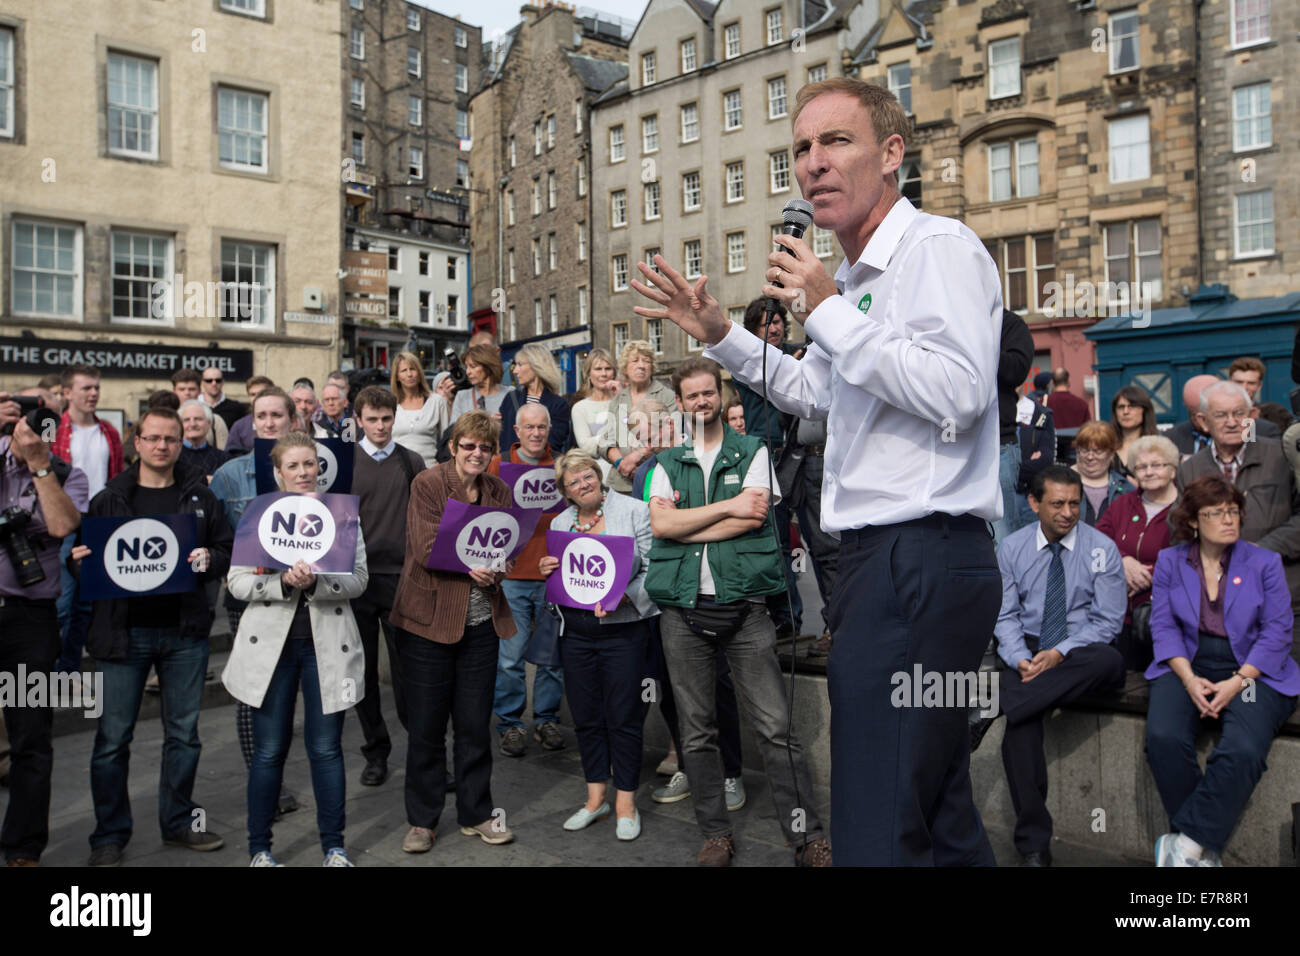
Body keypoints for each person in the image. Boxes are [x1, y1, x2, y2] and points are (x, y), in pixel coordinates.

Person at [632, 77, 1003, 866]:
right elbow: (821, 395)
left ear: (892, 153)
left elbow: (962, 392)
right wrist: (722, 331)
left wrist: (827, 307)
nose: (813, 164)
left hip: (920, 557)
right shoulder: (856, 281)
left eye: (835, 141)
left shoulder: (936, 249)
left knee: (875, 811)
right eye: (801, 149)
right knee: (934, 805)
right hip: (884, 566)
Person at [644, 357, 830, 866]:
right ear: (679, 404)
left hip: (746, 611)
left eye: (708, 394)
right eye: (691, 396)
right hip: (682, 612)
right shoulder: (665, 463)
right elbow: (660, 527)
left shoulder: (752, 452)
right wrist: (723, 509)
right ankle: (716, 834)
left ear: (720, 398)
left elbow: (752, 518)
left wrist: (687, 522)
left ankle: (807, 836)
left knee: (775, 729)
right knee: (697, 732)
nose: (701, 403)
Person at [70, 407, 232, 866]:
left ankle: (179, 821)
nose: (162, 446)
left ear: (181, 444)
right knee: (111, 740)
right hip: (123, 634)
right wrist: (77, 564)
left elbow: (225, 549)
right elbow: (84, 562)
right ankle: (109, 834)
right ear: (136, 442)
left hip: (184, 630)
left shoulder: (199, 496)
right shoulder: (109, 499)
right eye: (153, 438)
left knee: (183, 735)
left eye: (171, 439)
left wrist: (208, 560)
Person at [222, 432, 367, 867]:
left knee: (326, 749)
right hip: (273, 648)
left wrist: (320, 582)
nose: (304, 473)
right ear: (279, 472)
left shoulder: (341, 516)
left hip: (327, 646)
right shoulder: (258, 514)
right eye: (294, 466)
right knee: (268, 750)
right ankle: (259, 848)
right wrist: (282, 582)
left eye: (311, 465)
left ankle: (334, 847)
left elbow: (360, 579)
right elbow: (237, 582)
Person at [971, 465, 1126, 866]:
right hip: (1029, 646)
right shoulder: (1013, 548)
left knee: (1107, 660)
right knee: (1020, 735)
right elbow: (1004, 615)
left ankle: (996, 703)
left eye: (1075, 503)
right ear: (1034, 503)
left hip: (1082, 650)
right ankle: (1035, 847)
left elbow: (1107, 622)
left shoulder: (1101, 548)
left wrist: (1060, 653)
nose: (1068, 512)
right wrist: (1020, 657)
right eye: (1057, 503)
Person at [1145, 474, 1299, 867]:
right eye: (1216, 513)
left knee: (1244, 749)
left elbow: (1278, 632)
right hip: (1186, 661)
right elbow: (1162, 626)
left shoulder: (1264, 562)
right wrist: (1187, 678)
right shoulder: (1170, 560)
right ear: (1194, 520)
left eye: (1233, 511)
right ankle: (1202, 846)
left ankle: (1186, 846)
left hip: (1252, 670)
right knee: (1163, 736)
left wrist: (1237, 682)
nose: (1229, 519)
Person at [389, 411, 517, 853]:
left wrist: (496, 570)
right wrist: (470, 566)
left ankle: (476, 813)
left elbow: (507, 548)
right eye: (469, 445)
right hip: (428, 622)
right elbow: (425, 546)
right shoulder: (427, 484)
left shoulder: (499, 490)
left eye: (485, 447)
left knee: (474, 724)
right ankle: (422, 821)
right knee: (426, 727)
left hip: (481, 623)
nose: (477, 453)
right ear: (453, 446)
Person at [622, 398, 746, 803]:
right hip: (660, 593)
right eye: (641, 431)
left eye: (655, 426)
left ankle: (730, 773)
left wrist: (676, 528)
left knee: (717, 687)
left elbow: (716, 520)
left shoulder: (701, 457)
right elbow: (646, 532)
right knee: (673, 690)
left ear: (671, 421)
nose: (650, 436)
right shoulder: (645, 471)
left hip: (706, 591)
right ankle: (689, 766)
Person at [540, 451, 657, 839]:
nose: (583, 484)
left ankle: (626, 803)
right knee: (586, 715)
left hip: (624, 631)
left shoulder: (634, 510)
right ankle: (595, 799)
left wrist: (626, 596)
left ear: (599, 475)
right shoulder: (559, 522)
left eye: (588, 475)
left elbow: (654, 567)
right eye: (573, 482)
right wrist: (548, 572)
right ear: (565, 491)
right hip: (575, 633)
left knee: (623, 717)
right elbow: (561, 582)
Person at [0, 398, 87, 866]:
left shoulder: (67, 474)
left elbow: (60, 524)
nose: (34, 436)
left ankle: (23, 848)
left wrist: (37, 466)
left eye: (44, 432)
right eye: (25, 428)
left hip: (30, 621)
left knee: (31, 737)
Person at [209, 387, 301, 818]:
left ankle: (275, 773)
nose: (268, 422)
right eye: (261, 415)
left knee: (292, 690)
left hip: (303, 594)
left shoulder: (313, 468)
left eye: (276, 415)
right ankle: (265, 783)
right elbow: (220, 539)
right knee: (253, 689)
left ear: (291, 421)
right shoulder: (228, 476)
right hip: (248, 596)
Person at [349, 386, 426, 786]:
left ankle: (425, 755)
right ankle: (375, 752)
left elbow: (425, 517)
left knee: (408, 674)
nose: (380, 426)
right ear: (358, 420)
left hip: (400, 579)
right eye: (372, 419)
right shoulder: (345, 463)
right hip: (357, 581)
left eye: (386, 418)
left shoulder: (410, 461)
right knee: (361, 675)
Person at [1177, 380, 1300, 623]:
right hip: (1217, 602)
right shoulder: (1190, 469)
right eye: (1221, 415)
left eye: (1239, 413)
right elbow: (1180, 528)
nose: (1232, 422)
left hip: (1282, 594)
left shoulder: (1282, 457)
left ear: (1253, 416)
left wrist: (1262, 549)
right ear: (1203, 421)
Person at [487, 402, 566, 757]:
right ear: (516, 432)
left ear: (549, 430)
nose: (536, 433)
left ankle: (547, 719)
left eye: (542, 427)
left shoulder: (562, 465)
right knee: (510, 656)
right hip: (513, 575)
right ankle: (510, 723)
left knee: (552, 657)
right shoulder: (498, 465)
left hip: (554, 573)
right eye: (529, 428)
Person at [53, 364, 124, 677]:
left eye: (96, 387)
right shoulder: (53, 428)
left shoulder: (109, 431)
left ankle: (68, 672)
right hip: (65, 522)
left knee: (86, 606)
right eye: (86, 388)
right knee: (63, 603)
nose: (93, 393)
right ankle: (48, 670)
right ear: (67, 392)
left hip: (99, 522)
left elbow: (118, 479)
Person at [1095, 435, 1180, 670]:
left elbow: (1193, 555)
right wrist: (1123, 561)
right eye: (1141, 467)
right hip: (1120, 615)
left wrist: (1150, 573)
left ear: (1173, 470)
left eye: (1157, 465)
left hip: (1167, 617)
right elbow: (1096, 542)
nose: (1149, 472)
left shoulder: (1186, 507)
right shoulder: (1122, 504)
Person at [598, 340, 677, 498]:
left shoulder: (667, 396)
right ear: (625, 367)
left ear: (652, 366)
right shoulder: (618, 400)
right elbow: (607, 441)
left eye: (646, 361)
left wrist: (637, 456)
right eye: (635, 360)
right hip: (621, 483)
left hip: (656, 478)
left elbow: (669, 434)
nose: (641, 365)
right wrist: (622, 463)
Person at [994, 309, 1035, 545]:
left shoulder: (1008, 323)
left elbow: (1016, 370)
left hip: (998, 444)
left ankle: (1007, 583)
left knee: (1003, 534)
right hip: (951, 443)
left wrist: (981, 341)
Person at [498, 344, 572, 457]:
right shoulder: (511, 398)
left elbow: (553, 444)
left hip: (541, 469)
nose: (515, 371)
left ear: (536, 366)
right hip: (510, 467)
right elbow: (502, 440)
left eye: (520, 365)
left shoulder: (558, 405)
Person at [388, 351, 444, 468]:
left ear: (419, 372)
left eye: (412, 369)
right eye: (404, 370)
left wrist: (442, 464)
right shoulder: (390, 404)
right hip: (397, 470)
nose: (409, 374)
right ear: (397, 376)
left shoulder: (436, 401)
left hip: (429, 470)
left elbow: (447, 439)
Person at [570, 348, 620, 479]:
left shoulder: (624, 400)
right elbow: (586, 446)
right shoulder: (580, 408)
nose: (604, 374)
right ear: (588, 374)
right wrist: (613, 437)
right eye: (598, 369)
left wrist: (622, 398)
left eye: (608, 368)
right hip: (598, 475)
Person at [1071, 421, 1131, 525]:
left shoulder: (1125, 488)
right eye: (1084, 450)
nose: (1090, 457)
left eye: (1098, 452)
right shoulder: (1060, 482)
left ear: (1111, 453)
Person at [1167, 375, 1223, 457]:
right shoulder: (1170, 439)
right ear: (1186, 405)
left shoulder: (1241, 436)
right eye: (1194, 415)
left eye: (1206, 415)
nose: (1202, 423)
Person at [1109, 386, 1158, 481]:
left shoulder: (1157, 445)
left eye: (1132, 406)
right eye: (1121, 407)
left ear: (1144, 410)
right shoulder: (1107, 445)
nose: (1126, 412)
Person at [449, 344, 508, 422]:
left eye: (472, 366)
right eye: (466, 367)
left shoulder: (509, 393)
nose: (467, 372)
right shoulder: (462, 396)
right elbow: (453, 431)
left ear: (488, 367)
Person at [172, 369, 229, 450]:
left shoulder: (215, 420)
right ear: (174, 391)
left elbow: (223, 452)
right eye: (182, 389)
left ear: (199, 391)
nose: (187, 393)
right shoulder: (169, 420)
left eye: (192, 389)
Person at [178, 399, 230, 480]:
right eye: (187, 420)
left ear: (209, 423)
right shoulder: (173, 456)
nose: (192, 424)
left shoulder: (223, 458)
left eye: (198, 419)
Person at [224, 375, 275, 456]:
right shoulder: (240, 426)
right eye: (253, 394)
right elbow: (231, 455)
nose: (256, 397)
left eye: (261, 393)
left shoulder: (284, 421)